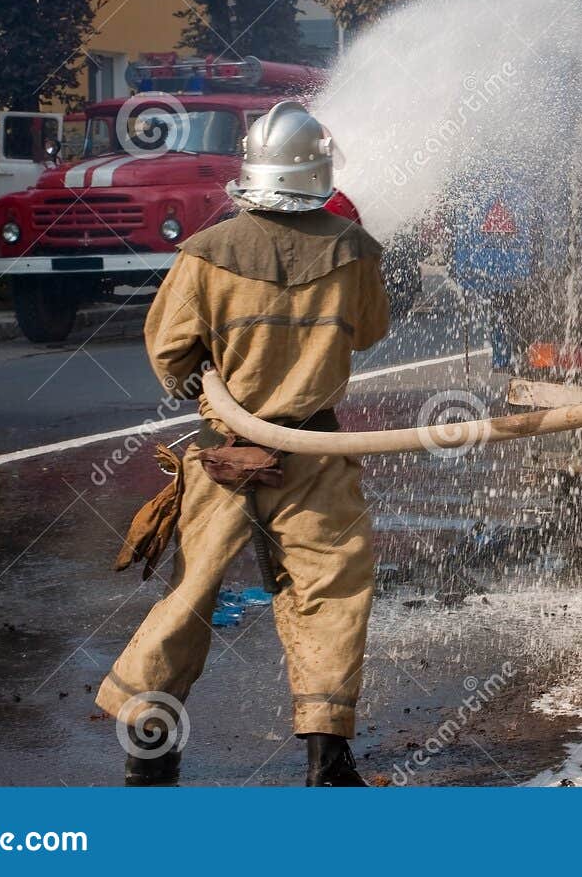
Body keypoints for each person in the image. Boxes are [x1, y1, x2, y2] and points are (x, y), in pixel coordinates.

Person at [97, 100, 390, 786]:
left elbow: (170, 356)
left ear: (250, 171)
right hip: (313, 454)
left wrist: (209, 381)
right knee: (330, 594)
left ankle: (149, 746)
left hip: (222, 454)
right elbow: (369, 330)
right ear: (318, 173)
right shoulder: (355, 250)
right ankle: (327, 762)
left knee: (191, 594)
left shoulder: (205, 253)